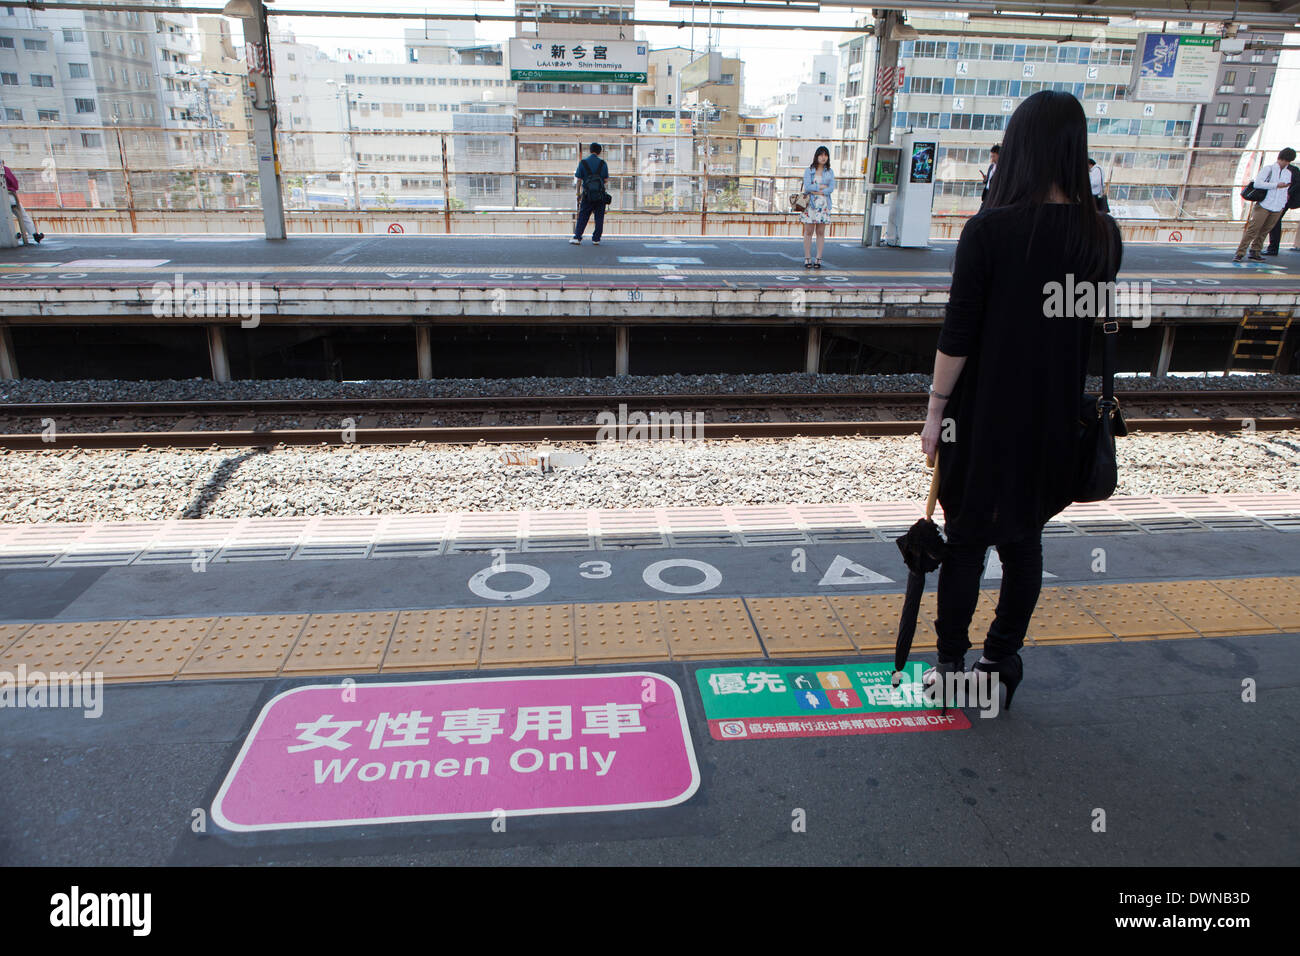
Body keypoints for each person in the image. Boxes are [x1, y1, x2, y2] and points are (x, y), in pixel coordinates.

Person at [919, 90, 1122, 712]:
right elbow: (1089, 332)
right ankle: (1001, 662)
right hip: (1052, 422)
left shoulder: (988, 231)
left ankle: (950, 664)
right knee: (1023, 543)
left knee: (965, 544)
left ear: (1018, 150)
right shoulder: (1101, 237)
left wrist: (933, 413)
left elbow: (958, 335)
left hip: (980, 422)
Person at [1234, 147, 1295, 262]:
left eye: (1288, 161)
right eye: (1285, 160)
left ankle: (1255, 251)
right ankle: (1240, 252)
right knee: (1253, 229)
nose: (1286, 163)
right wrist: (1276, 185)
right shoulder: (1269, 169)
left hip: (1278, 206)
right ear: (1280, 158)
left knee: (1265, 230)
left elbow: (1285, 190)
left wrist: (1283, 203)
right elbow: (1257, 184)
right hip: (1264, 203)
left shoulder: (1288, 173)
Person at [800, 145, 835, 269]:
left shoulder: (830, 172)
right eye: (821, 155)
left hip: (824, 205)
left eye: (825, 155)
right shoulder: (808, 170)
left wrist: (818, 190)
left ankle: (818, 258)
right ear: (816, 156)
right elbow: (807, 187)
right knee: (808, 232)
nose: (823, 157)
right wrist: (822, 187)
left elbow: (831, 188)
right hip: (810, 204)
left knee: (820, 232)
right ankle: (807, 257)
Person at [570, 142, 609, 245]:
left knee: (583, 216)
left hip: (587, 195)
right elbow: (605, 180)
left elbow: (578, 179)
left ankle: (577, 237)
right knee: (599, 217)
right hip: (600, 195)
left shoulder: (583, 163)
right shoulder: (603, 163)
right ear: (600, 152)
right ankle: (596, 239)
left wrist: (578, 194)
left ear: (590, 150)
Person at [3, 160, 43, 244]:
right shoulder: (5, 169)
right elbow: (14, 183)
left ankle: (12, 234)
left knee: (5, 217)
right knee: (22, 214)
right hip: (9, 196)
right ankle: (34, 234)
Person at [1263, 173, 1300, 256]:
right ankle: (1273, 248)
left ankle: (1273, 248)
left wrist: (1289, 193)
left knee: (1275, 220)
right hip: (1286, 198)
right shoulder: (1291, 170)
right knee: (1275, 220)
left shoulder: (1288, 171)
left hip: (1285, 199)